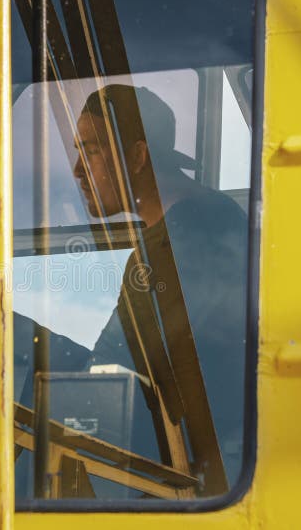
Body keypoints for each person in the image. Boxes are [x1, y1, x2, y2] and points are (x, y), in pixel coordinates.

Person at [74, 84, 248, 488]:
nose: (78, 170)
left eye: (91, 150)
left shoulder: (195, 233)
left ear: (138, 156)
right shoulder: (181, 229)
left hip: (198, 474)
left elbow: (115, 362)